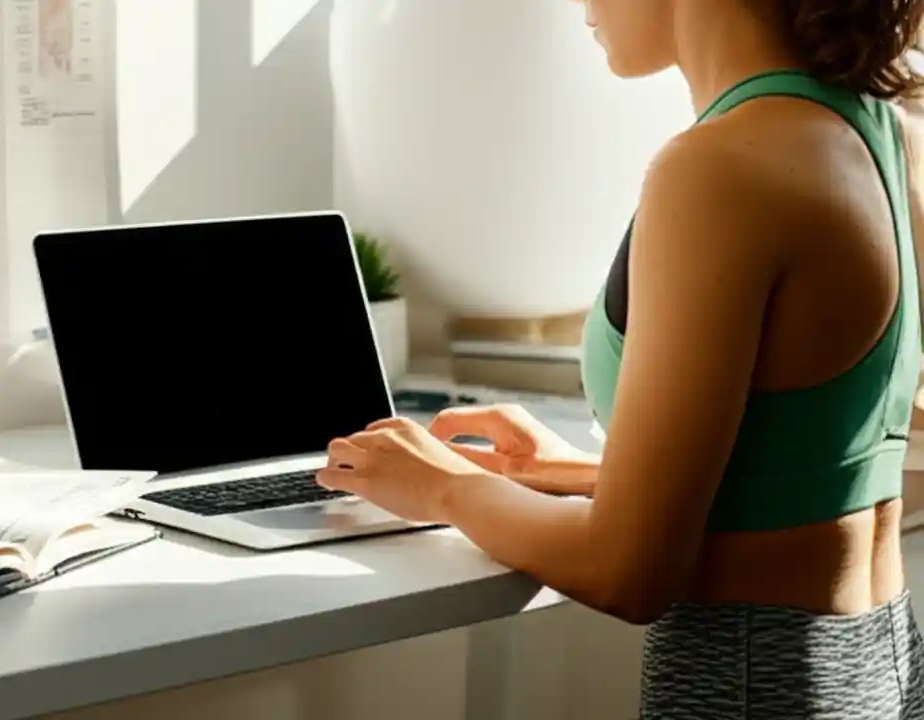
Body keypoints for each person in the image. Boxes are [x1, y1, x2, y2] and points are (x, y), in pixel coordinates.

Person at [320, 0, 924, 717]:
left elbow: (628, 572)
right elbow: (815, 464)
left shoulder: (719, 168)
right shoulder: (881, 127)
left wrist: (440, 488)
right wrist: (586, 476)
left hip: (748, 684)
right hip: (879, 665)